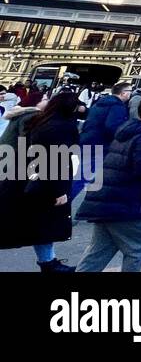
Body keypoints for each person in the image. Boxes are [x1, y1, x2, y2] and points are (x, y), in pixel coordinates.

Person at [76, 94, 141, 272]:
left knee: (98, 252)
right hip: (129, 203)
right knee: (138, 247)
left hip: (106, 200)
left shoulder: (128, 130)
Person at [0, 91, 82, 271]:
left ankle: (48, 262)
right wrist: (59, 189)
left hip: (24, 177)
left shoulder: (40, 120)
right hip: (33, 180)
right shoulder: (50, 123)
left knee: (41, 223)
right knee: (38, 223)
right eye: (44, 99)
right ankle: (48, 263)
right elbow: (54, 158)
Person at [72, 81, 132, 203]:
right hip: (100, 145)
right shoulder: (117, 106)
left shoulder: (100, 103)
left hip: (87, 141)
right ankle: (63, 203)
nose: (130, 94)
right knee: (84, 176)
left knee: (87, 175)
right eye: (130, 91)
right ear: (124, 93)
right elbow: (113, 126)